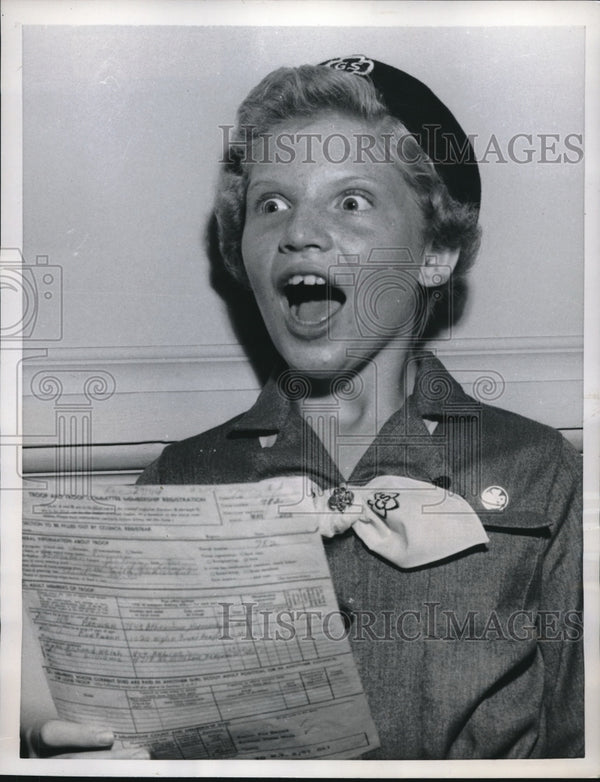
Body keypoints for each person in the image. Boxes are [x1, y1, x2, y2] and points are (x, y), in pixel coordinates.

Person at [22, 54, 584, 760]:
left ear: (435, 252)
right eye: (272, 204)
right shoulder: (180, 480)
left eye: (350, 201)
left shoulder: (545, 478)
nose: (298, 232)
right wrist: (50, 739)